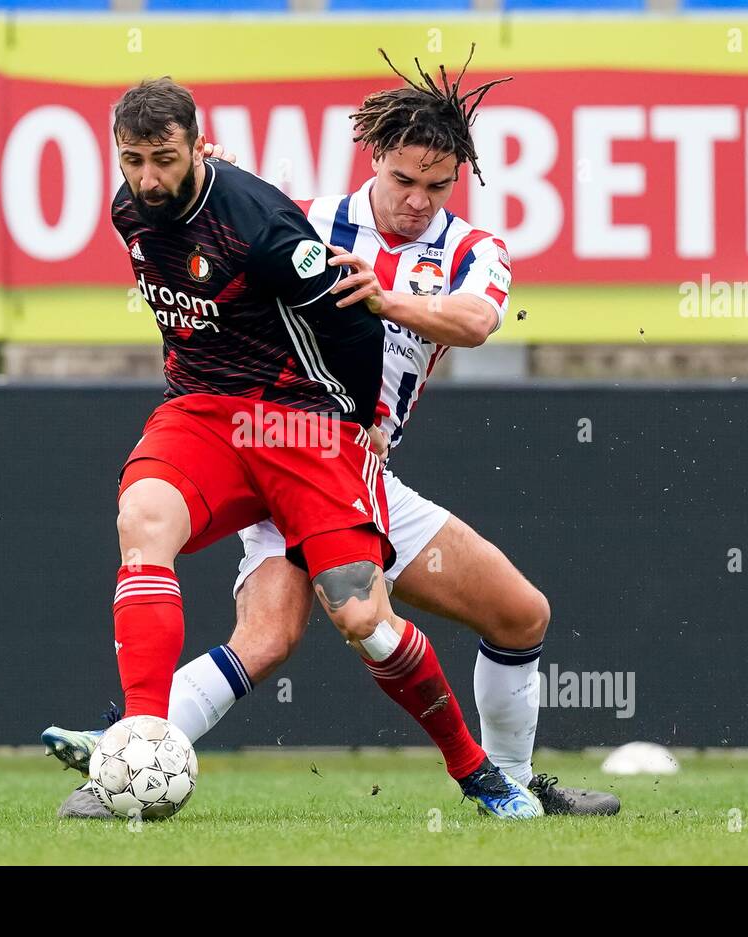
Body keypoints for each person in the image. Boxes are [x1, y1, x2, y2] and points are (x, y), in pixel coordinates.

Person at [46, 74, 544, 821]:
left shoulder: (475, 249)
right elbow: (230, 216)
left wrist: (382, 297)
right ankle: (128, 748)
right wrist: (196, 172)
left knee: (520, 616)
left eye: (437, 187)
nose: (417, 200)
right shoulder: (309, 219)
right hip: (293, 439)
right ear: (373, 159)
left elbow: (474, 322)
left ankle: (511, 778)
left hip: (358, 466)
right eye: (403, 179)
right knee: (284, 622)